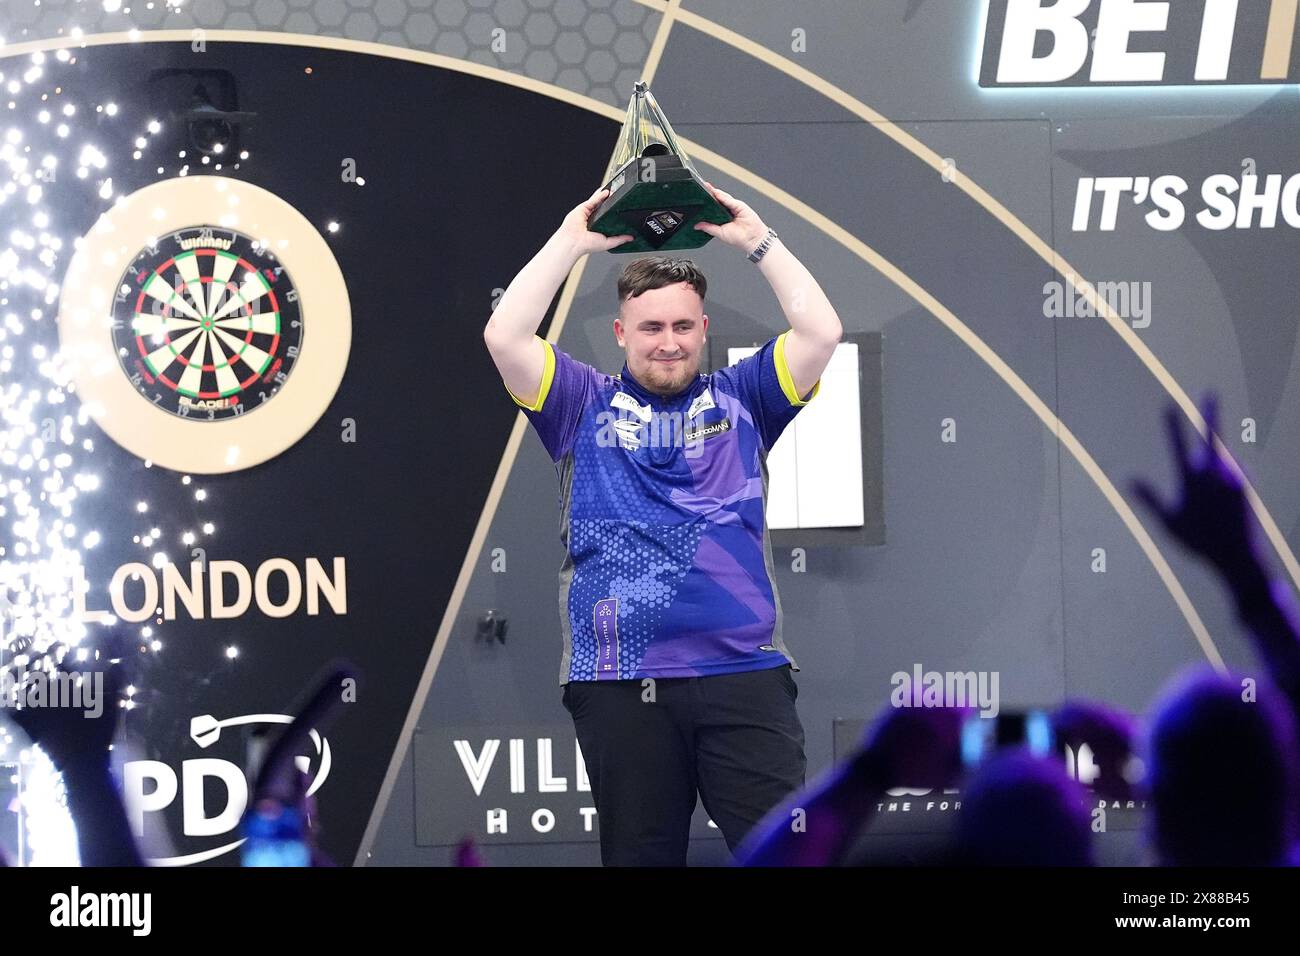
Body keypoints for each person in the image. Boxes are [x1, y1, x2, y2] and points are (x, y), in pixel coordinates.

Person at [484, 183, 841, 865]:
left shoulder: (747, 398)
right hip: (618, 685)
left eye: (683, 326)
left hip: (746, 675)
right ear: (622, 333)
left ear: (704, 329)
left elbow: (821, 331)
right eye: (651, 327)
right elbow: (505, 335)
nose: (669, 343)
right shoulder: (579, 402)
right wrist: (571, 242)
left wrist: (757, 242)